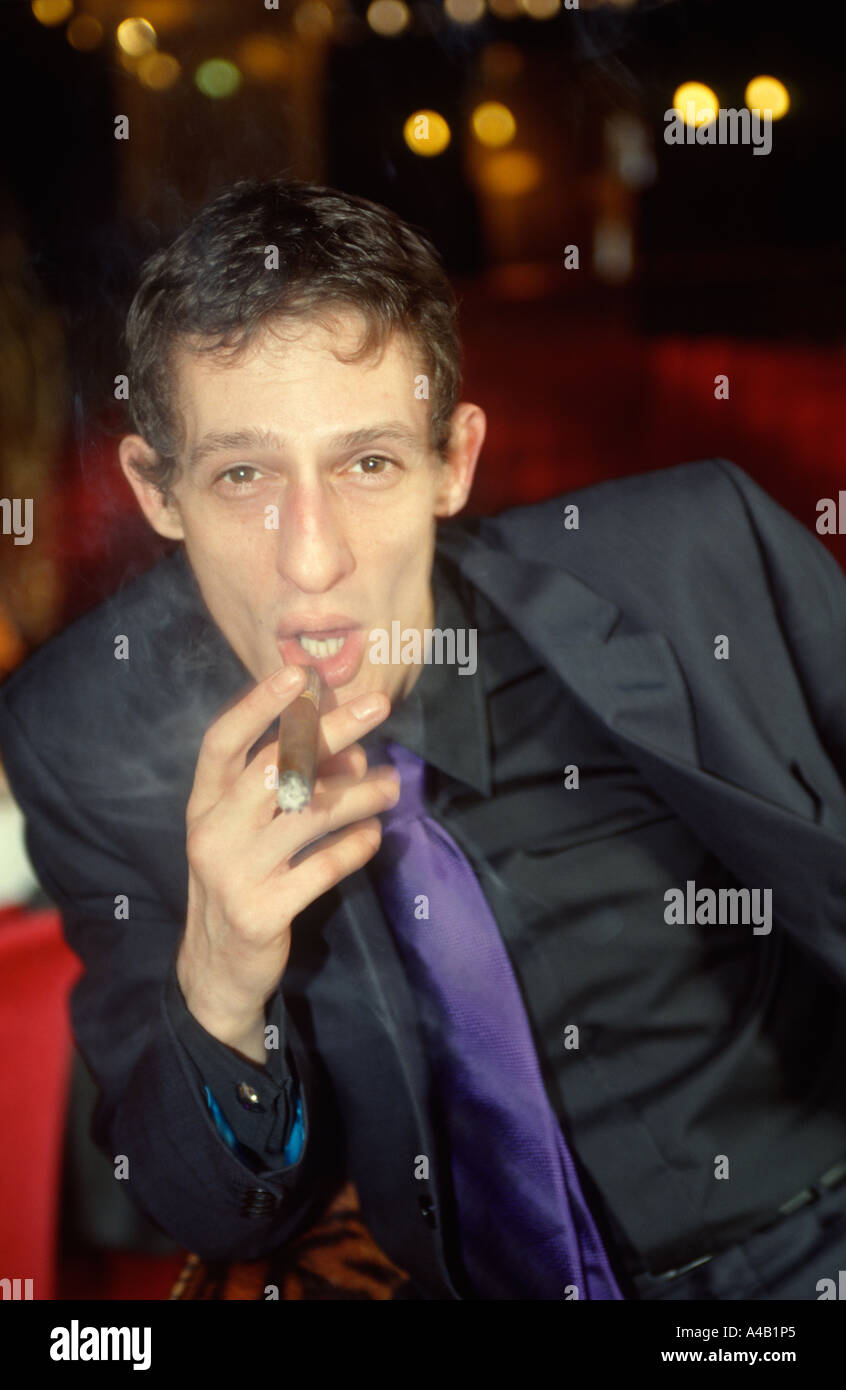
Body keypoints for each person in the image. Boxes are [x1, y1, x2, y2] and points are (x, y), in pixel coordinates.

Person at [1, 177, 845, 1302]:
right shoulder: (83, 728)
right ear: (158, 490)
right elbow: (201, 1206)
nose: (311, 561)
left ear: (453, 458)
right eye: (243, 474)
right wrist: (219, 986)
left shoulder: (697, 558)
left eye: (367, 463)